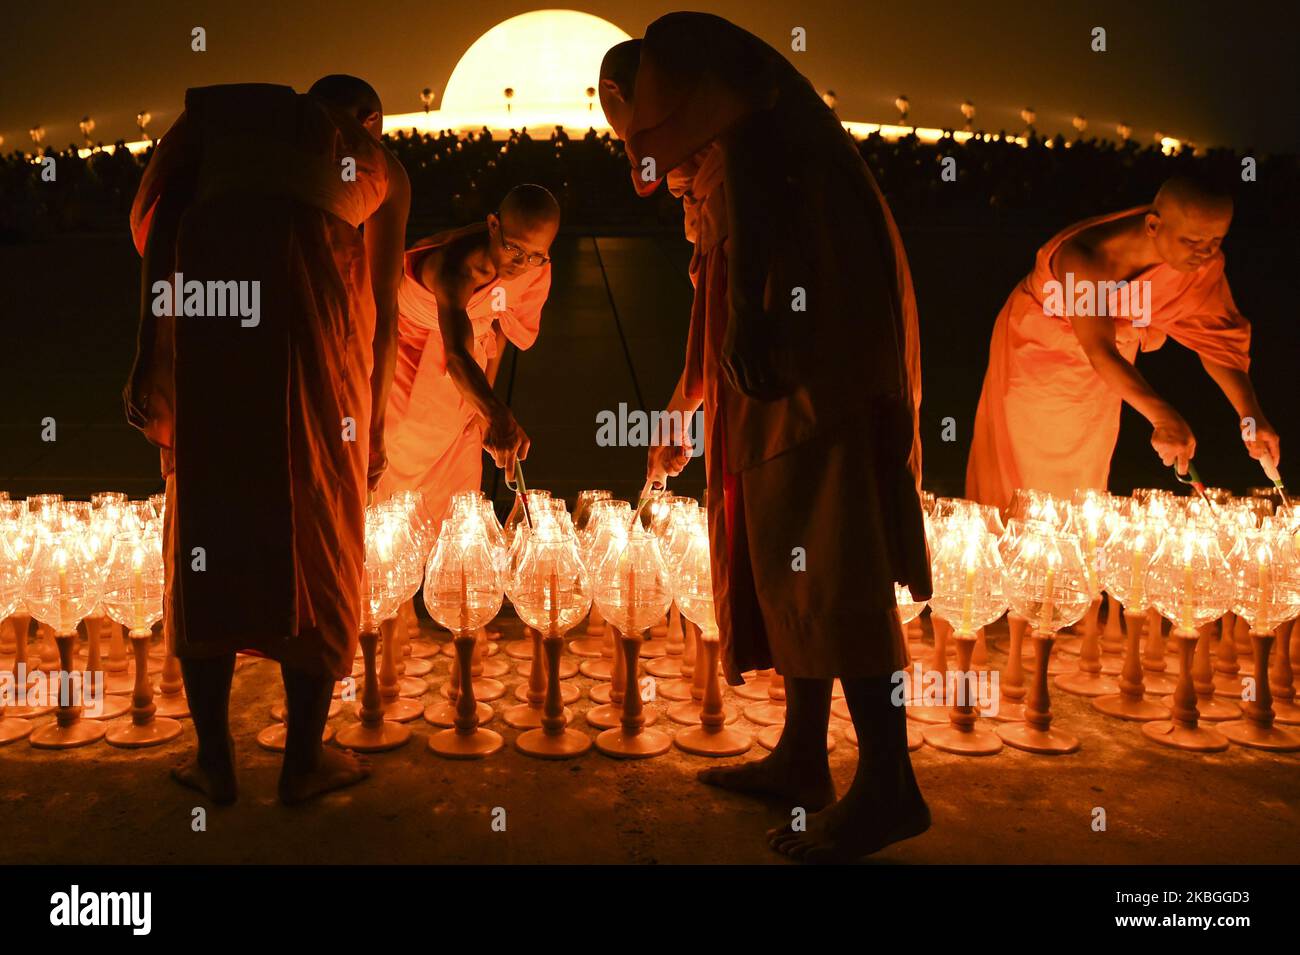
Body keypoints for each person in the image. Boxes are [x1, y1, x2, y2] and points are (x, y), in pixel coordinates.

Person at [600, 13, 932, 862]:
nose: (645, 155)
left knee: (837, 556)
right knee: (792, 554)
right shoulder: (723, 160)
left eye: (634, 129)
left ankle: (890, 784)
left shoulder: (739, 132)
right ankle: (803, 756)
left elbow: (742, 280)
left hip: (816, 369)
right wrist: (683, 405)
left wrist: (752, 312)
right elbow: (716, 297)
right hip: (780, 374)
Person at [124, 75, 409, 805]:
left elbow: (166, 224)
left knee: (207, 523)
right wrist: (374, 425)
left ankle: (214, 761)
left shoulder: (226, 128)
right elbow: (382, 309)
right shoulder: (374, 161)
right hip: (320, 352)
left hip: (213, 332)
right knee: (321, 527)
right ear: (368, 120)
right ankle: (303, 760)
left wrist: (149, 353)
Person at [967, 177, 1278, 509]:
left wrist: (1250, 415)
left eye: (1216, 241)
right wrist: (1162, 417)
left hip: (1109, 368)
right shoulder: (1084, 257)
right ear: (1153, 225)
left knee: (1085, 474)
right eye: (1192, 241)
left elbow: (1215, 340)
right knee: (1028, 472)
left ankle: (1066, 539)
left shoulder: (1197, 265)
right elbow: (1099, 350)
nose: (1204, 253)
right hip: (1041, 353)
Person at [375, 185, 559, 530]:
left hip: (468, 385)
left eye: (536, 255)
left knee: (461, 500)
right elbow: (456, 354)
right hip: (413, 374)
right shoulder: (455, 269)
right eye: (514, 248)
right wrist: (495, 412)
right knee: (403, 497)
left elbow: (500, 324)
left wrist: (486, 408)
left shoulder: (534, 267)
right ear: (493, 225)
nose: (522, 264)